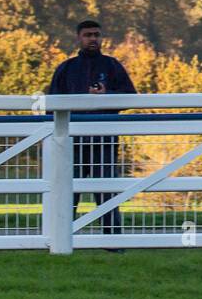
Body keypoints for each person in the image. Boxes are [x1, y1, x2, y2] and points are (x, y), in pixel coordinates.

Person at [46, 20, 138, 236]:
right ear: (79, 38)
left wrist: (108, 97)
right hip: (72, 141)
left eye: (96, 35)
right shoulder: (66, 68)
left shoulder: (112, 65)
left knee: (106, 191)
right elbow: (51, 105)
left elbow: (130, 97)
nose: (93, 39)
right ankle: (62, 238)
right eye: (88, 35)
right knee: (67, 191)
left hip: (103, 139)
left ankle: (113, 241)